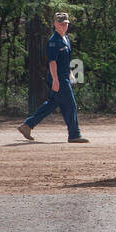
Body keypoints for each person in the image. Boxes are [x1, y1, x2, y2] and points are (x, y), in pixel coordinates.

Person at [16, 12, 89, 143]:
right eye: (61, 24)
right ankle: (74, 134)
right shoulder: (54, 41)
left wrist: (70, 72)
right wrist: (55, 80)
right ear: (55, 24)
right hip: (59, 78)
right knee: (71, 105)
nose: (64, 26)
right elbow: (52, 62)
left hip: (64, 76)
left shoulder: (65, 39)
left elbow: (65, 60)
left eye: (66, 23)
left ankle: (27, 125)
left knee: (51, 104)